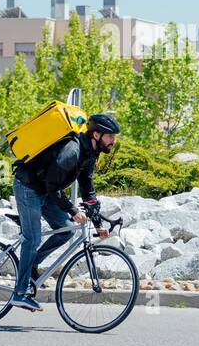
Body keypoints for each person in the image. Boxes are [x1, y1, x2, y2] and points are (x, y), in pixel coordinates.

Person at [9, 113, 120, 312]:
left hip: (45, 190)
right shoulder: (73, 151)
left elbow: (88, 191)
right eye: (110, 136)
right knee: (32, 238)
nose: (113, 141)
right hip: (28, 187)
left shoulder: (90, 154)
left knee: (67, 229)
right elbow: (52, 184)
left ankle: (31, 265)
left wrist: (98, 225)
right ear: (96, 135)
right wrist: (72, 209)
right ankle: (20, 292)